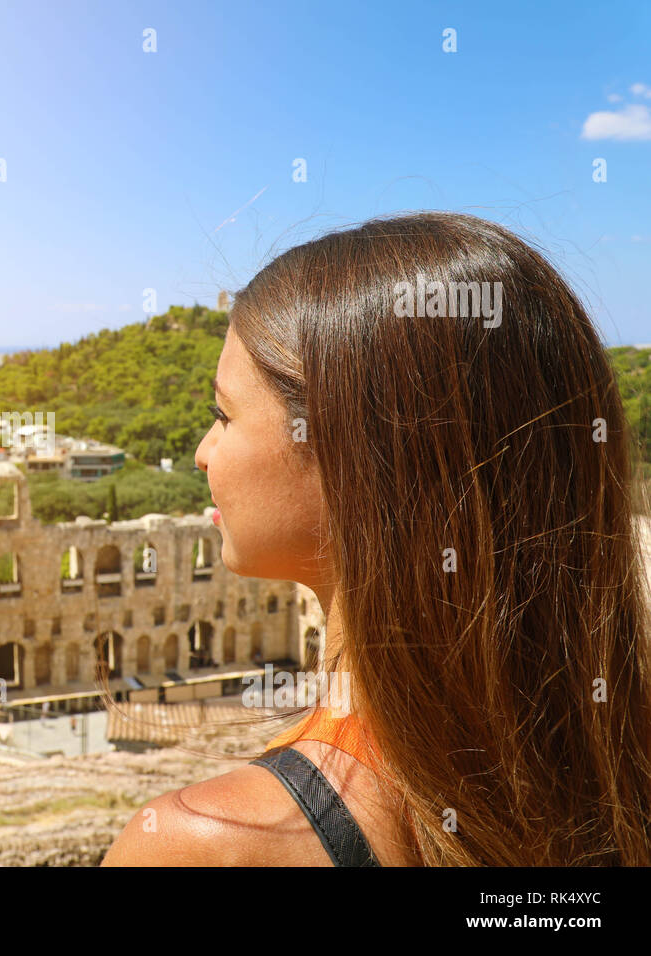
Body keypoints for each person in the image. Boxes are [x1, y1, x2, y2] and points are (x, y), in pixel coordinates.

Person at [104, 211, 651, 867]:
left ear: (346, 457)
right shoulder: (615, 774)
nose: (202, 453)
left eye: (223, 415)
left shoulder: (206, 843)